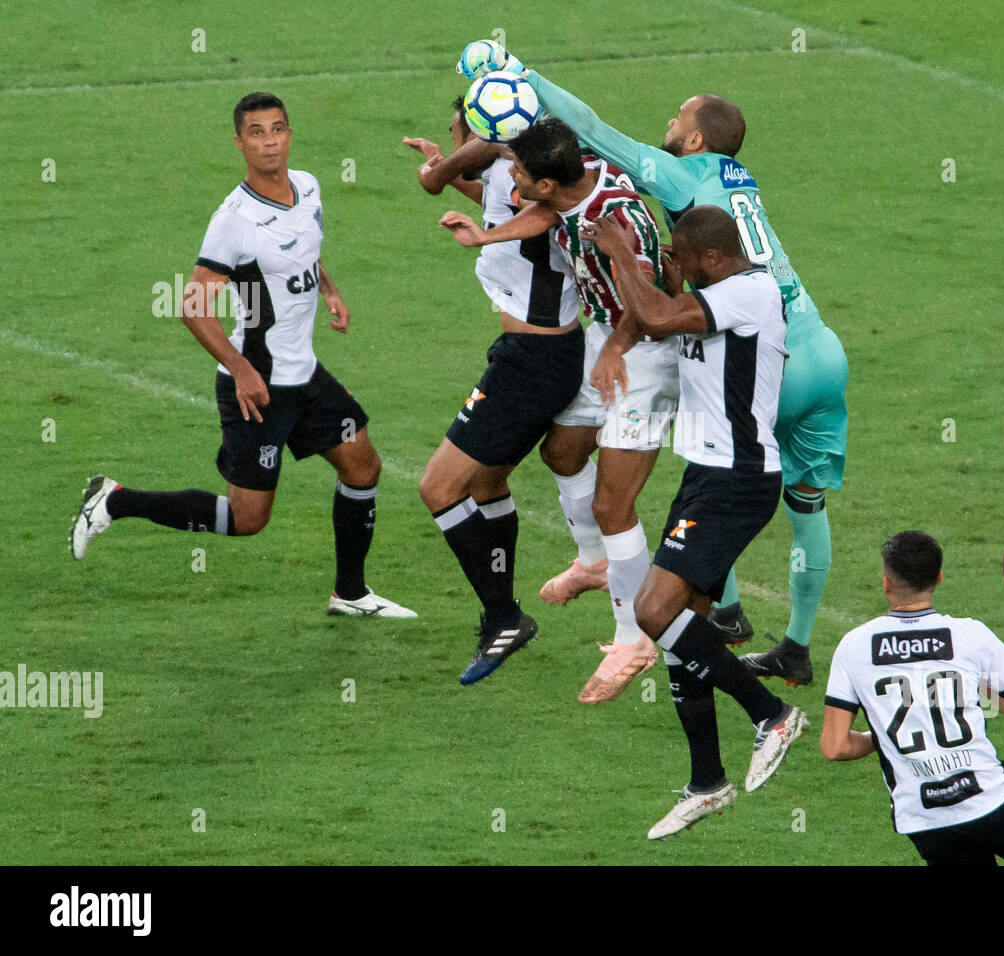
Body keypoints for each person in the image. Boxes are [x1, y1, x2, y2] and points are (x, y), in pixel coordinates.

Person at [507, 53, 851, 686]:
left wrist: (522, 75)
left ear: (694, 139)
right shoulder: (736, 178)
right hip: (822, 349)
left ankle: (709, 619)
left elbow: (591, 128)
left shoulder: (681, 173)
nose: (669, 120)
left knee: (717, 470)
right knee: (805, 503)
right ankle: (794, 647)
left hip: (768, 359)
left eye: (679, 116)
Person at [69, 92, 415, 618]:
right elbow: (192, 306)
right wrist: (241, 368)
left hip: (307, 377)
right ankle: (114, 500)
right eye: (257, 132)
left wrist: (330, 291)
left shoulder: (310, 187)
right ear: (240, 143)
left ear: (290, 134)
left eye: (277, 129)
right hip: (257, 388)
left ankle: (350, 593)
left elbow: (305, 249)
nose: (269, 140)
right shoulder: (233, 220)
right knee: (249, 518)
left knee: (363, 467)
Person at [584, 205, 807, 840]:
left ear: (710, 259)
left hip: (735, 482)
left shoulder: (749, 290)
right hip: (706, 476)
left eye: (682, 259)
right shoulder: (717, 289)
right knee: (688, 635)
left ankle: (772, 715)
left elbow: (656, 312)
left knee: (655, 614)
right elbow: (655, 316)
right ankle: (707, 782)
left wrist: (622, 254)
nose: (675, 270)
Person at [440, 118, 671, 704]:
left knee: (612, 503)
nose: (506, 178)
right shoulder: (581, 180)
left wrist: (615, 350)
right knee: (562, 452)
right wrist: (483, 237)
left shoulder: (614, 221)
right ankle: (595, 563)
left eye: (516, 172)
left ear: (546, 180)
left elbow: (646, 302)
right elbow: (549, 215)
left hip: (644, 354)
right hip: (605, 337)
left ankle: (634, 640)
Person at [406, 101, 584, 684]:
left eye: (458, 138)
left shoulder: (531, 187)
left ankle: (506, 615)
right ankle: (498, 615)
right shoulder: (519, 174)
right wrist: (453, 175)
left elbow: (536, 215)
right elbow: (500, 197)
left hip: (531, 364)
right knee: (487, 484)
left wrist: (480, 234)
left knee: (438, 487)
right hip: (537, 356)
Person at [822, 531, 1004, 866]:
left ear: (886, 584)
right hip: (987, 794)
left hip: (922, 815)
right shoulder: (971, 635)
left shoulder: (853, 645)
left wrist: (882, 735)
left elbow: (835, 746)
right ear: (939, 578)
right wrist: (976, 682)